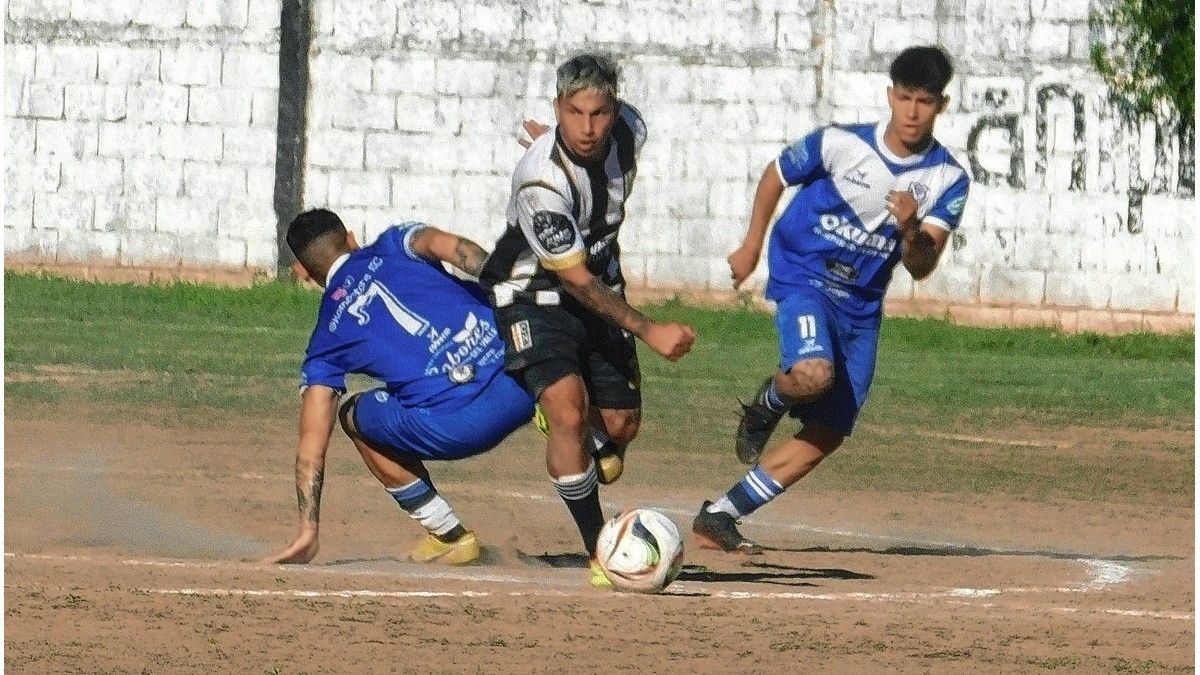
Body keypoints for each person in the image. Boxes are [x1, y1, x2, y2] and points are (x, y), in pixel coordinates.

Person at [692, 45, 971, 553]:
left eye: (924, 101)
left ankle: (720, 514)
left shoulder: (947, 180)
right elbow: (777, 172)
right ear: (890, 96)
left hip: (861, 306)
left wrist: (909, 224)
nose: (911, 112)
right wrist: (752, 245)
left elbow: (921, 265)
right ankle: (772, 400)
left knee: (829, 431)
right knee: (813, 375)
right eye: (904, 98)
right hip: (805, 275)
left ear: (941, 106)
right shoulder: (840, 143)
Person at [480, 53, 696, 585]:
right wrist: (649, 329)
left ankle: (592, 438)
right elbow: (575, 279)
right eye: (574, 113)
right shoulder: (541, 185)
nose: (587, 127)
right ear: (558, 107)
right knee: (568, 407)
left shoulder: (630, 131)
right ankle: (600, 549)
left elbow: (593, 280)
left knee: (620, 430)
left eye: (598, 114)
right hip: (533, 292)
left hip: (601, 282)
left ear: (615, 111)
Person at [263, 209, 535, 567]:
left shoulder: (325, 342)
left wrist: (308, 530)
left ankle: (448, 534)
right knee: (551, 331)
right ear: (351, 238)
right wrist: (513, 283)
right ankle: (594, 435)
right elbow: (455, 249)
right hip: (527, 375)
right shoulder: (395, 243)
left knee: (352, 416)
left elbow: (311, 448)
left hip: (463, 427)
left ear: (306, 272)